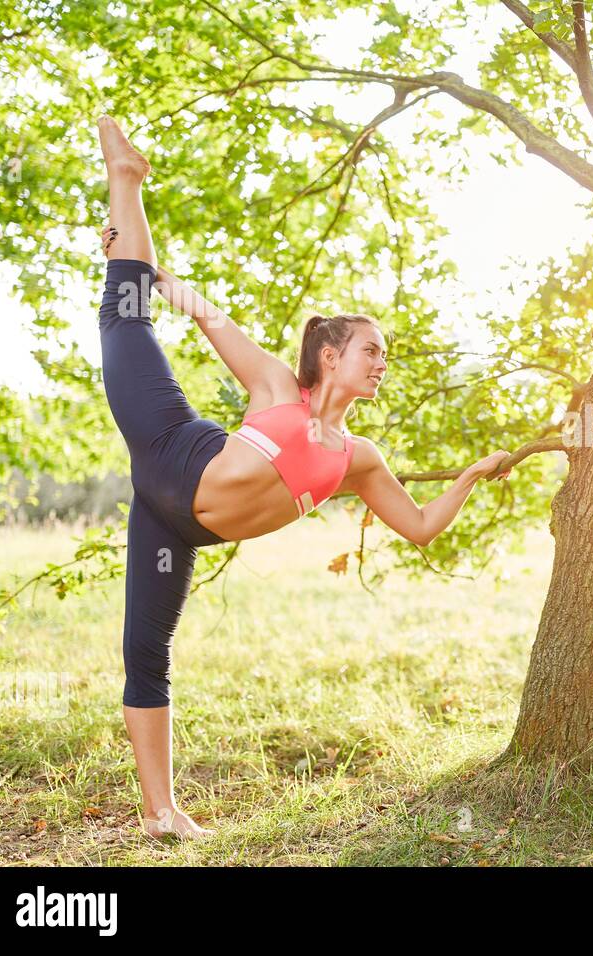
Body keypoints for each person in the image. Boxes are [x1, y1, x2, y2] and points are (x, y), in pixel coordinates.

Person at [95, 115, 511, 841]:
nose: (383, 363)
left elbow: (418, 529)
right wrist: (154, 277)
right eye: (372, 351)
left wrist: (473, 473)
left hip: (175, 521)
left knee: (146, 651)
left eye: (385, 354)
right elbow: (208, 318)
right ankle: (124, 177)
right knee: (127, 314)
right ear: (330, 357)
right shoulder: (277, 388)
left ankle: (161, 813)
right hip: (170, 446)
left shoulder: (359, 459)